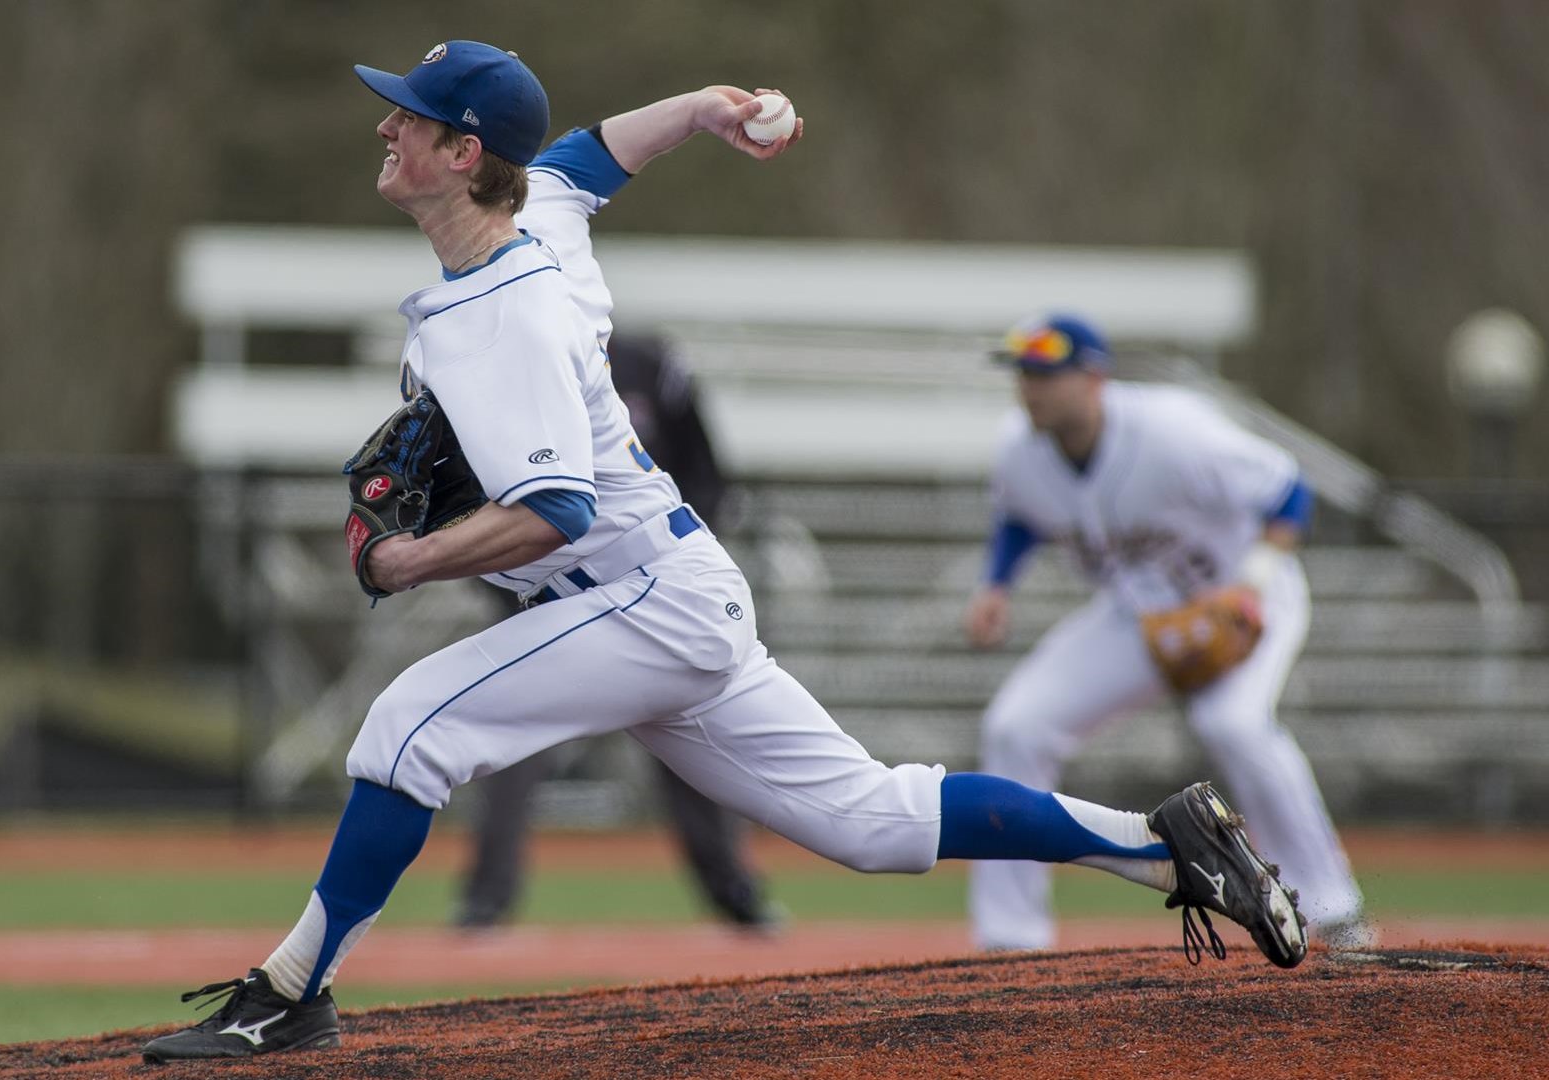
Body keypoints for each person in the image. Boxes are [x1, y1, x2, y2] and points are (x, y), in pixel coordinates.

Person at [140, 42, 1308, 1063]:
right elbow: (594, 157)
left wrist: (407, 563)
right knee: (871, 822)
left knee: (406, 728)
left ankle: (290, 994)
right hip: (671, 595)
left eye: (409, 115)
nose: (385, 126)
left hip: (637, 596)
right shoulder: (528, 208)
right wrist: (705, 106)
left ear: (461, 153)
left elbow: (556, 513)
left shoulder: (515, 315)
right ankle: (1165, 850)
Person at [962, 313, 1370, 953]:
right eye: (1022, 372)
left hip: (1240, 599)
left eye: (1045, 371)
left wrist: (1252, 582)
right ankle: (1009, 940)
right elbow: (1020, 516)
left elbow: (1289, 490)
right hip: (1139, 616)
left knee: (1232, 724)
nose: (1029, 386)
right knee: (1017, 726)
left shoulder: (1174, 430)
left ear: (1094, 378)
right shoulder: (1021, 449)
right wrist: (996, 587)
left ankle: (1336, 912)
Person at [454, 333, 781, 933]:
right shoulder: (512, 367)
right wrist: (507, 580)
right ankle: (485, 897)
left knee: (692, 740)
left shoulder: (649, 366)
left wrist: (684, 560)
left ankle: (734, 889)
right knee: (506, 740)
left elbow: (707, 475)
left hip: (649, 593)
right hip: (543, 595)